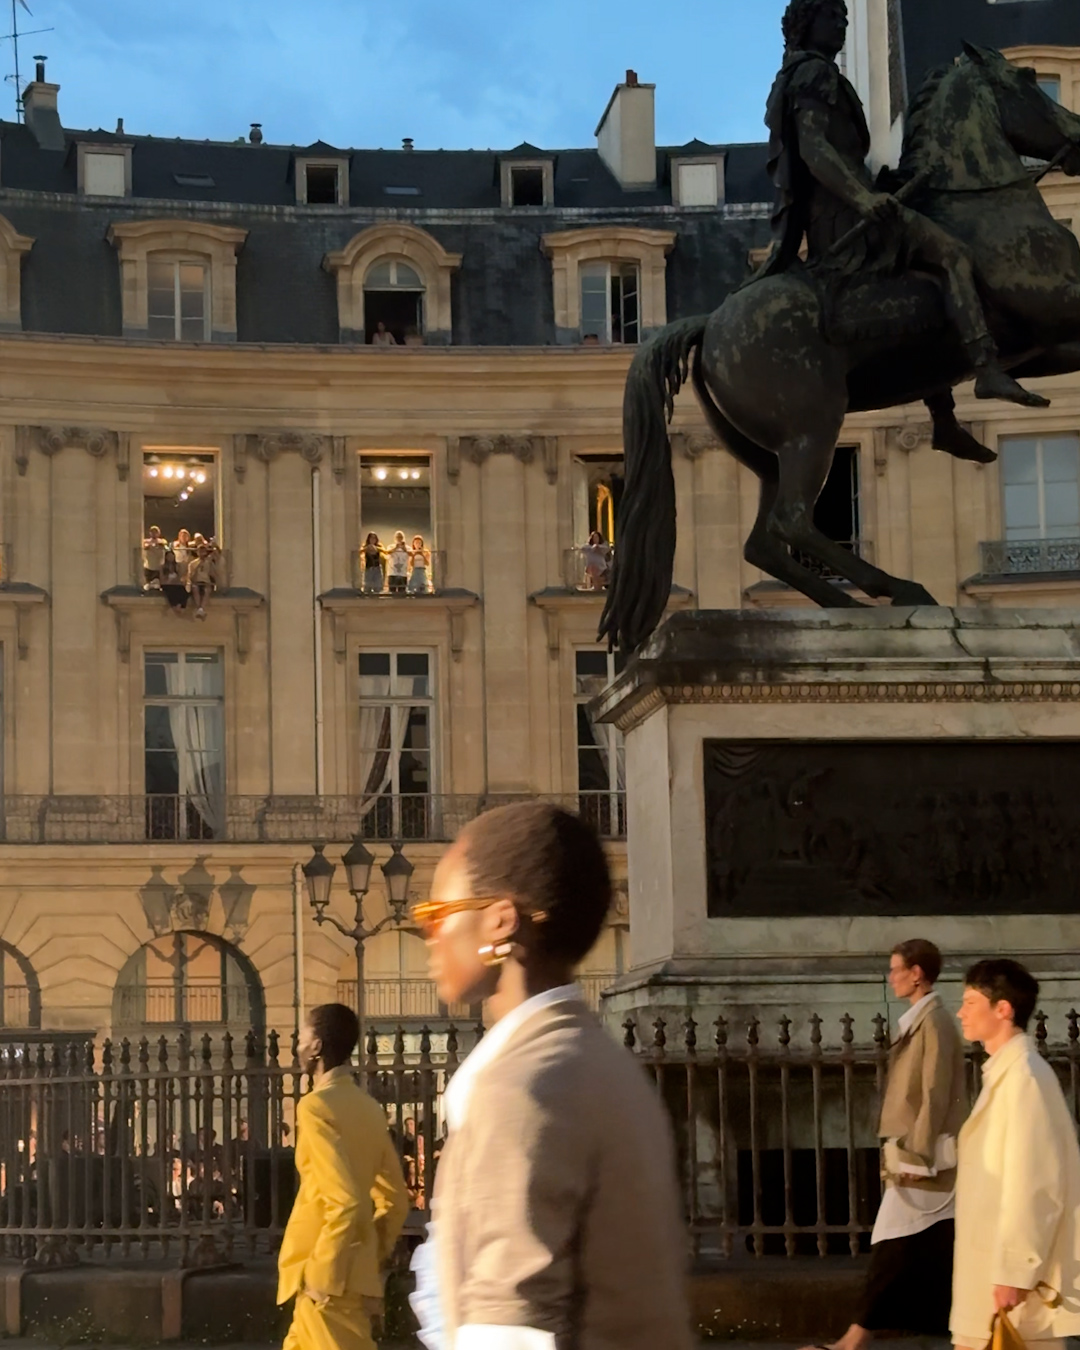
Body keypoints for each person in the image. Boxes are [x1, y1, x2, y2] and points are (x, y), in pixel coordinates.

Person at [409, 801, 693, 1350]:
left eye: (437, 913)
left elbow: (510, 1327)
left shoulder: (524, 1086)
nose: (429, 933)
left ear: (500, 920)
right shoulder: (597, 1061)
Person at [760, 0, 1048, 467]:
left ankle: (945, 422)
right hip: (845, 218)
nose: (842, 24)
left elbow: (835, 155)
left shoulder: (805, 75)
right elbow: (814, 150)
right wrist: (865, 199)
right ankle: (985, 367)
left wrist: (883, 185)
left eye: (845, 18)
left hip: (849, 206)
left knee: (924, 289)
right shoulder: (813, 74)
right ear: (807, 25)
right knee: (952, 254)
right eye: (833, 18)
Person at [808, 939, 966, 1350]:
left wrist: (917, 1153)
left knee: (892, 1244)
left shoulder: (935, 1023)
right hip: (917, 1155)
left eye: (896, 969)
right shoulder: (921, 1021)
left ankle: (854, 1339)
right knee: (926, 1244)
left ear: (917, 974)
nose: (890, 976)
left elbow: (934, 1092)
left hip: (922, 1159)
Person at [952, 960, 1080, 1350]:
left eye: (971, 1002)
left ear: (1003, 1009)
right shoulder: (1007, 1074)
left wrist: (1015, 1271)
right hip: (991, 1282)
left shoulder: (1023, 1077)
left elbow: (1037, 1181)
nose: (960, 1012)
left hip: (1013, 1289)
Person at [278, 1003, 409, 1350]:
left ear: (317, 1046)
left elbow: (345, 1200)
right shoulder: (368, 1107)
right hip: (352, 1275)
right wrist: (369, 1252)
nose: (298, 1046)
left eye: (302, 1037)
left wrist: (324, 1272)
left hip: (325, 1282)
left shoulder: (315, 1107)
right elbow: (395, 1201)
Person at [187, 543, 217, 619]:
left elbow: (213, 574)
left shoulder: (209, 563)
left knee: (207, 590)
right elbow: (190, 576)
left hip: (206, 582)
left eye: (204, 551)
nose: (202, 553)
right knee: (195, 588)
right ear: (197, 552)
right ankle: (199, 608)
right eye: (200, 551)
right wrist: (198, 567)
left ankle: (201, 609)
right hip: (196, 581)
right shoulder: (192, 563)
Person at [143, 526, 166, 590]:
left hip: (158, 567)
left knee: (157, 585)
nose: (154, 533)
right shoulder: (146, 541)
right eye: (152, 532)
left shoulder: (162, 542)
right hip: (148, 566)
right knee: (147, 585)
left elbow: (164, 546)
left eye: (156, 532)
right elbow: (145, 547)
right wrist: (150, 545)